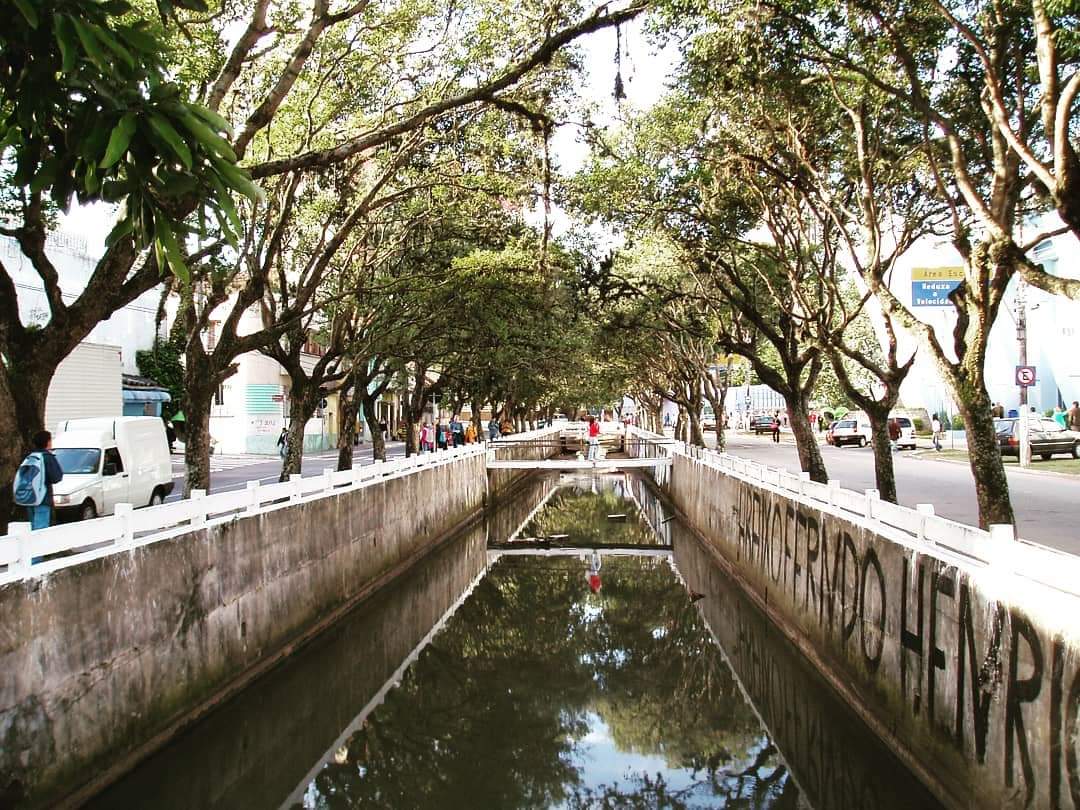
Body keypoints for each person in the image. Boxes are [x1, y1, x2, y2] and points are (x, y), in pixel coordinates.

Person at [13, 430, 64, 531]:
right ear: (48, 442)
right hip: (43, 498)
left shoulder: (30, 457)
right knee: (41, 530)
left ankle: (33, 545)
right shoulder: (47, 457)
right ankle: (38, 547)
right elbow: (56, 477)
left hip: (29, 497)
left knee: (34, 527)